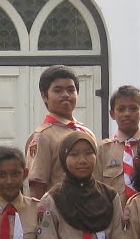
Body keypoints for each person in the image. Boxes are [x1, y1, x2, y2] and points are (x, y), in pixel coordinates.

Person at [26, 64, 95, 198]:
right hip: (59, 212)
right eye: (58, 90)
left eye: (71, 90)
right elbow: (37, 186)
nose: (65, 95)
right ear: (44, 96)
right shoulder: (43, 136)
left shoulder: (86, 132)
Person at [97, 85, 140, 201]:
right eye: (121, 109)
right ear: (112, 114)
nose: (127, 114)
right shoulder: (102, 150)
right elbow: (96, 189)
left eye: (133, 108)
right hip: (114, 216)